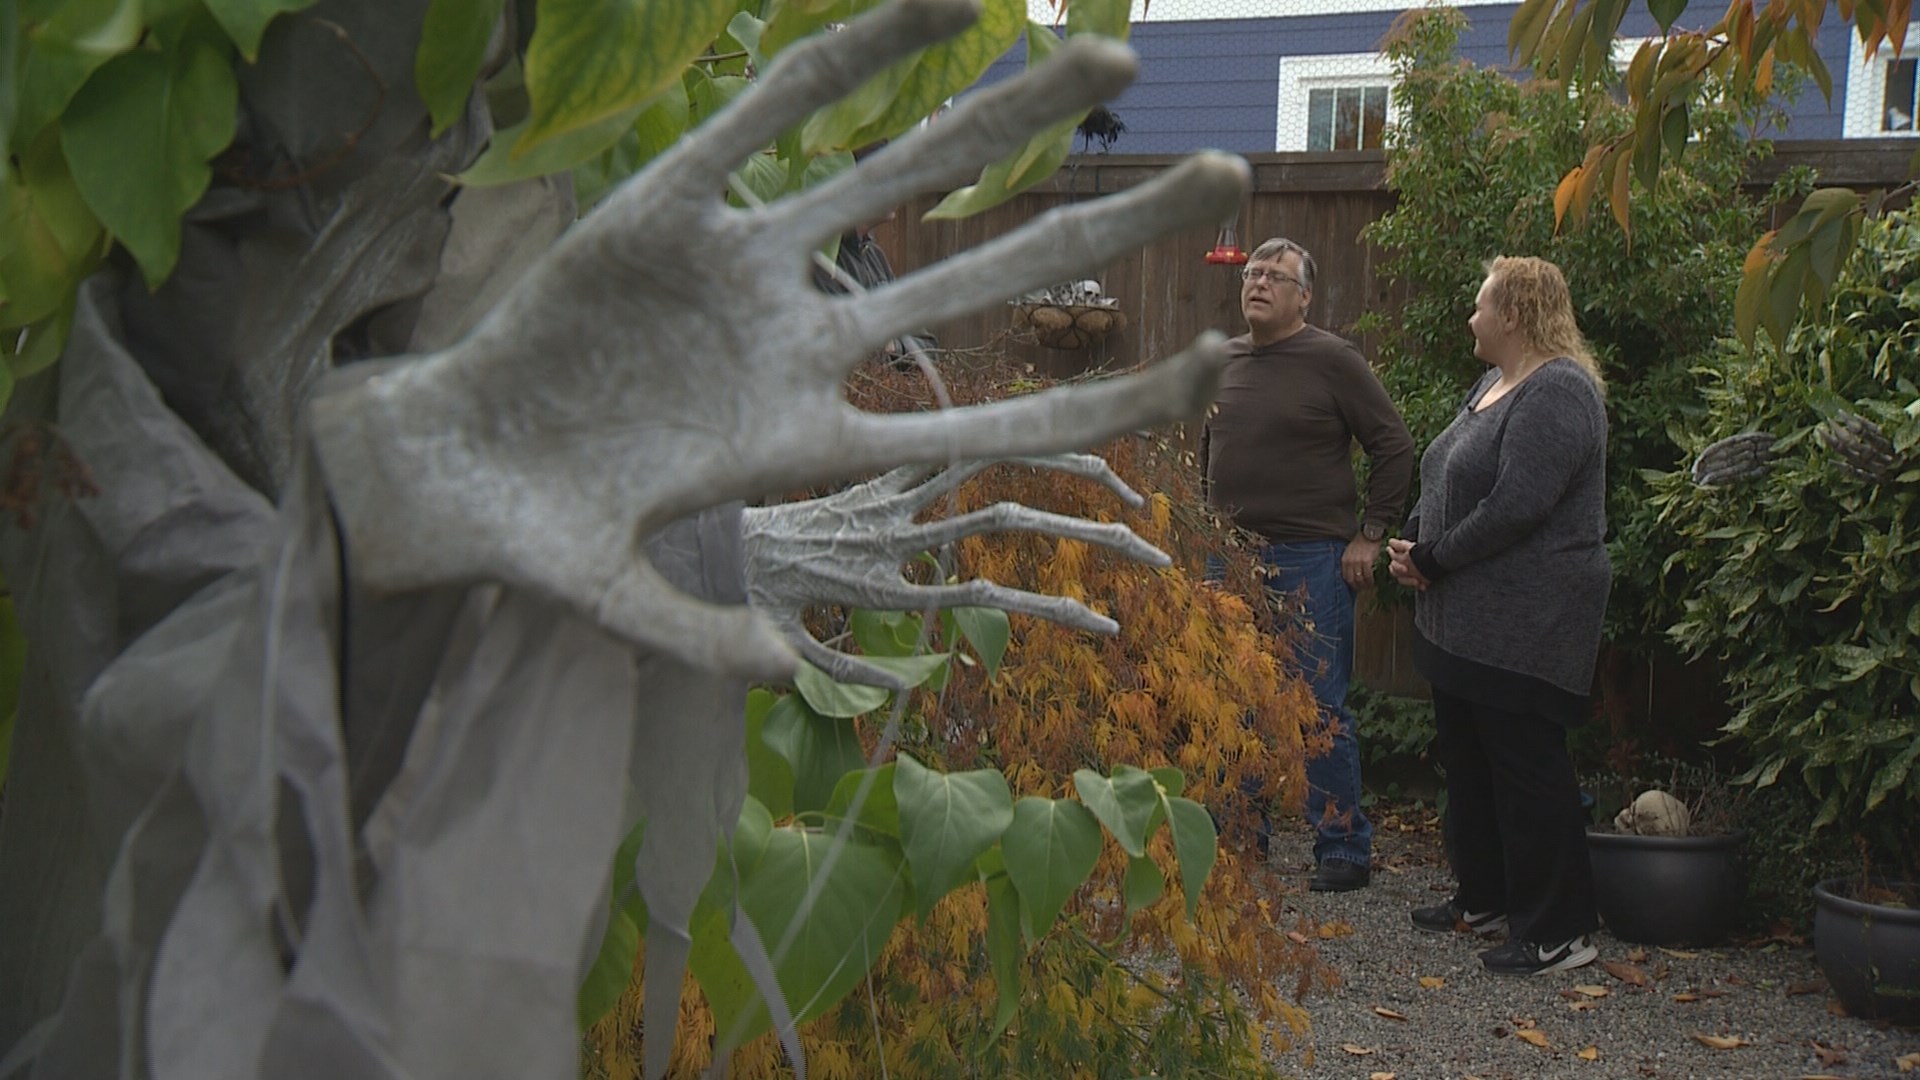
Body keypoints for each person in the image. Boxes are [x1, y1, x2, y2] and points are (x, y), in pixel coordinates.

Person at [1387, 255, 1609, 976]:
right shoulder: (1492, 383)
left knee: (1526, 769)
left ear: (1513, 315)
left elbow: (1517, 505)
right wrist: (1416, 541)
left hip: (1527, 625)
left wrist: (1434, 557)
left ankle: (1559, 931)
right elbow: (1446, 471)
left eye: (1481, 305)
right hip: (1463, 620)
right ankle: (1484, 897)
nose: (1471, 317)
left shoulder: (1560, 392)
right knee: (1470, 764)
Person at [1201, 237, 1415, 892]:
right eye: (1253, 273)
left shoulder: (1333, 360)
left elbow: (1394, 445)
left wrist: (1371, 534)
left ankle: (1343, 848)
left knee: (1317, 707)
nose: (1259, 283)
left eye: (1276, 276)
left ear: (1305, 297)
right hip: (1229, 557)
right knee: (1234, 701)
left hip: (1311, 558)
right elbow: (1208, 450)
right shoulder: (1224, 360)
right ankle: (1239, 837)